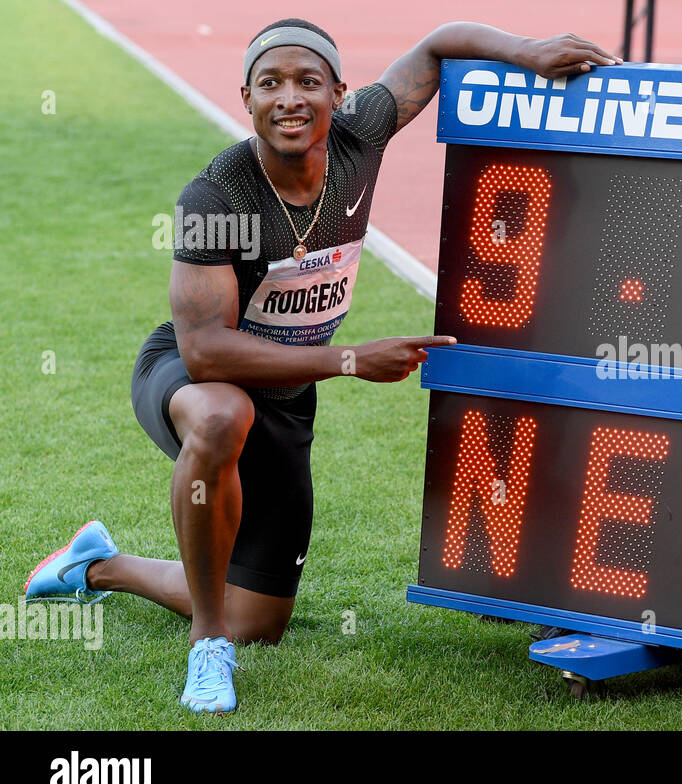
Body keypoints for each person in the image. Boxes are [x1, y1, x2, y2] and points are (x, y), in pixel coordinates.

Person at [24, 18, 620, 714]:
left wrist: (527, 52)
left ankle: (96, 564)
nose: (290, 99)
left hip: (286, 400)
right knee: (224, 414)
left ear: (340, 93)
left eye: (309, 81)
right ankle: (206, 647)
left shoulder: (360, 138)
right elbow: (204, 350)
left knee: (263, 621)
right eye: (270, 83)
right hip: (192, 381)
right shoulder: (216, 196)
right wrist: (347, 359)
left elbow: (434, 45)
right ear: (245, 95)